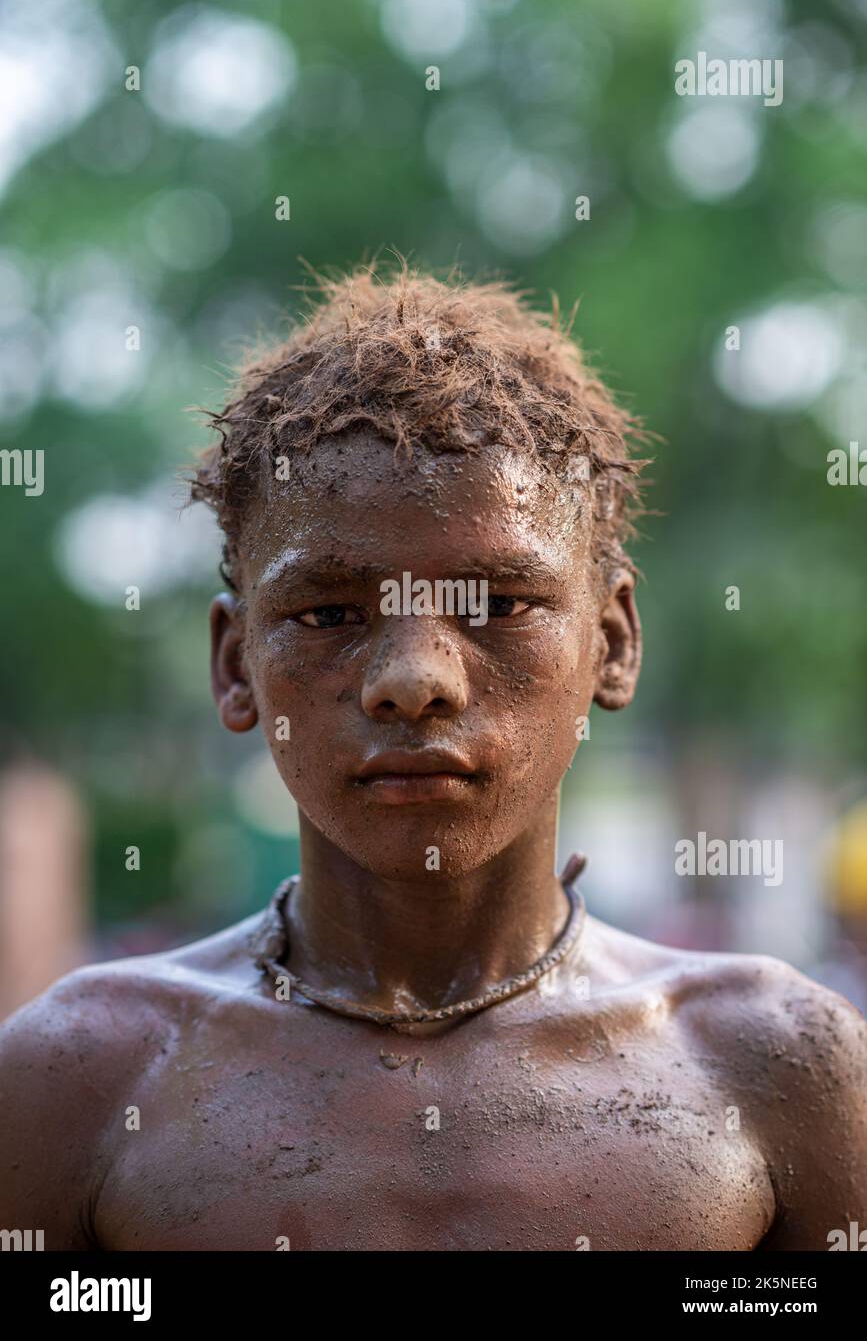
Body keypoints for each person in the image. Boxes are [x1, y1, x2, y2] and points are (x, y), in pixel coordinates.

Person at [1, 266, 865, 1251]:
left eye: (496, 603)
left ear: (613, 641)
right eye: (329, 613)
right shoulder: (78, 1082)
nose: (412, 681)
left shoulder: (778, 1070)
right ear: (235, 665)